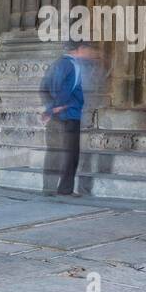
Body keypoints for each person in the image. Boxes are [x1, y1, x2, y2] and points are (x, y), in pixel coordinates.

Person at [40, 41, 98, 196]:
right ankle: (65, 190)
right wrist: (58, 106)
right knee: (71, 154)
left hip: (58, 116)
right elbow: (67, 88)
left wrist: (49, 108)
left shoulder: (58, 63)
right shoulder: (73, 65)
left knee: (58, 153)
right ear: (80, 49)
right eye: (87, 50)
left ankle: (50, 187)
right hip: (70, 114)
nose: (89, 54)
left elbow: (44, 86)